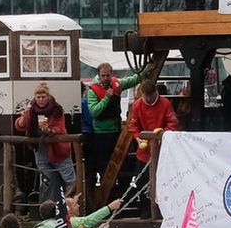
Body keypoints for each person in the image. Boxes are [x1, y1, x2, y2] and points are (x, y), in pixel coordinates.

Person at [124, 80, 179, 217]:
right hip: (144, 152)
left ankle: (162, 211)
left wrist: (163, 135)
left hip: (162, 151)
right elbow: (133, 125)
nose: (148, 99)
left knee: (163, 180)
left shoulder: (165, 104)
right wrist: (138, 137)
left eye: (150, 95)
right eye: (145, 96)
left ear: (155, 92)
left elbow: (173, 122)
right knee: (142, 181)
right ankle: (145, 210)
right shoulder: (137, 105)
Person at [85, 63, 141, 192]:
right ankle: (109, 195)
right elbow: (94, 112)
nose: (105, 78)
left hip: (116, 131)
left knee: (124, 164)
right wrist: (106, 98)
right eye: (103, 75)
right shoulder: (92, 90)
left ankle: (121, 192)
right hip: (101, 134)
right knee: (104, 168)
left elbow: (133, 80)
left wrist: (145, 71)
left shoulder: (117, 84)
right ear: (99, 75)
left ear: (112, 74)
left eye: (108, 75)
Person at [15, 83, 75, 200]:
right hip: (39, 148)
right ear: (35, 97)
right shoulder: (31, 110)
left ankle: (72, 205)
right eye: (38, 97)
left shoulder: (56, 109)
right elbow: (20, 126)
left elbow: (60, 128)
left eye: (43, 97)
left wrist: (50, 130)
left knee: (69, 179)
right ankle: (53, 205)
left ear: (48, 96)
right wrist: (24, 116)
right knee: (48, 179)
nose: (41, 100)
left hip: (58, 148)